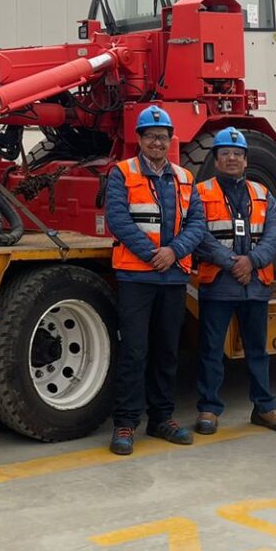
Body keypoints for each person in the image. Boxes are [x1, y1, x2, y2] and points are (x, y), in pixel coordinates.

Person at [104, 105, 202, 455]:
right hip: (136, 277)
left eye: (163, 137)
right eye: (150, 136)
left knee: (166, 351)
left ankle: (162, 418)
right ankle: (126, 423)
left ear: (171, 139)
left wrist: (173, 252)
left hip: (172, 278)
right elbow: (118, 219)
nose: (157, 142)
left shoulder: (185, 178)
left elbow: (197, 223)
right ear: (140, 139)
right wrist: (153, 254)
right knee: (133, 351)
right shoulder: (122, 173)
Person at [190, 128, 276, 434]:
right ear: (216, 160)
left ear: (246, 160)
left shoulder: (262, 194)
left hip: (255, 284)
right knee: (211, 350)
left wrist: (252, 261)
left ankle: (264, 407)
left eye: (237, 153)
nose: (232, 158)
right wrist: (231, 262)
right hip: (218, 283)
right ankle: (209, 409)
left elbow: (274, 234)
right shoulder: (200, 193)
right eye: (225, 154)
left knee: (257, 350)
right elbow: (198, 234)